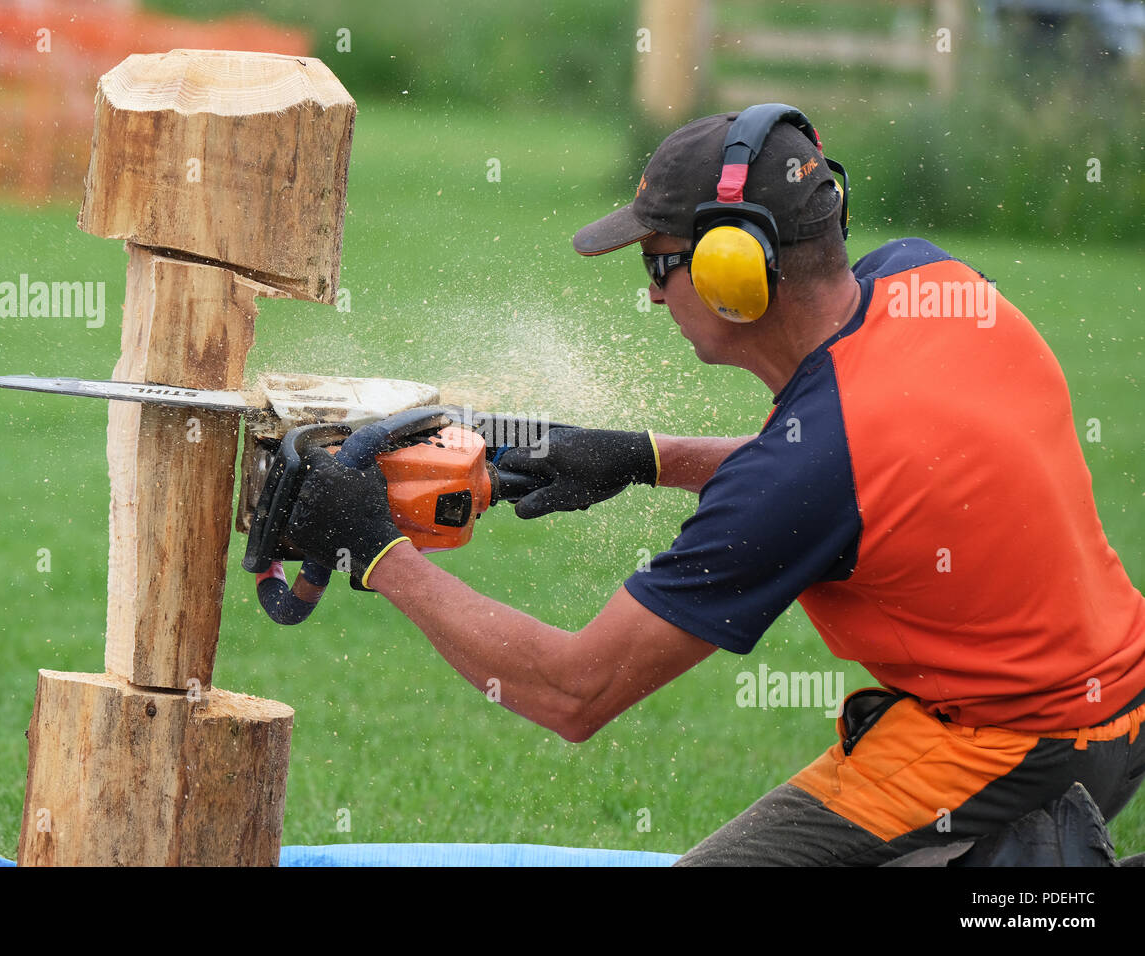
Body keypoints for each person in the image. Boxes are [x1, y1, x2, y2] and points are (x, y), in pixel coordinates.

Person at [279, 106, 1145, 865]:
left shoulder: (807, 476)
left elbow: (572, 691)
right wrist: (641, 456)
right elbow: (874, 474)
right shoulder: (929, 282)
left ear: (736, 273)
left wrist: (380, 553)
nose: (653, 300)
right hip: (1117, 698)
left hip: (1023, 746)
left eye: (658, 265)